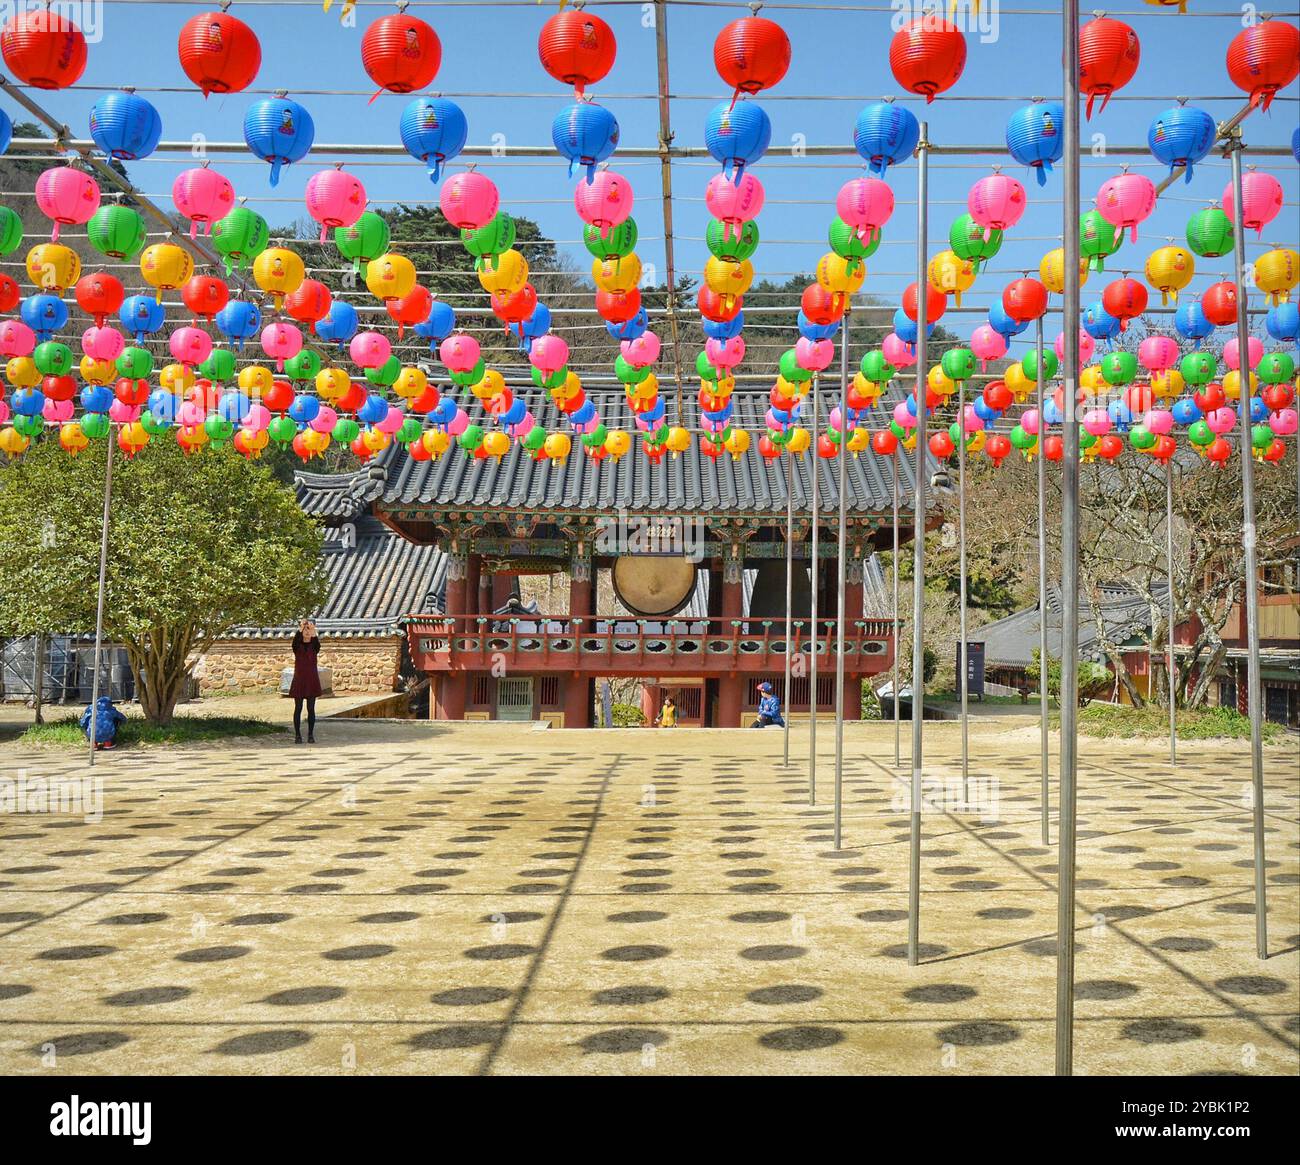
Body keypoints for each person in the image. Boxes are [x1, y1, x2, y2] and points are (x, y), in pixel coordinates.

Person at [290, 618, 322, 744]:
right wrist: (301, 627)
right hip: (299, 680)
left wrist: (313, 630)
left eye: (309, 630)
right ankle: (297, 735)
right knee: (298, 708)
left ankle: (310, 734)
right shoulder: (297, 646)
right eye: (305, 630)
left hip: (311, 680)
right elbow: (295, 642)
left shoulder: (314, 646)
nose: (307, 632)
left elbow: (317, 644)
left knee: (311, 709)